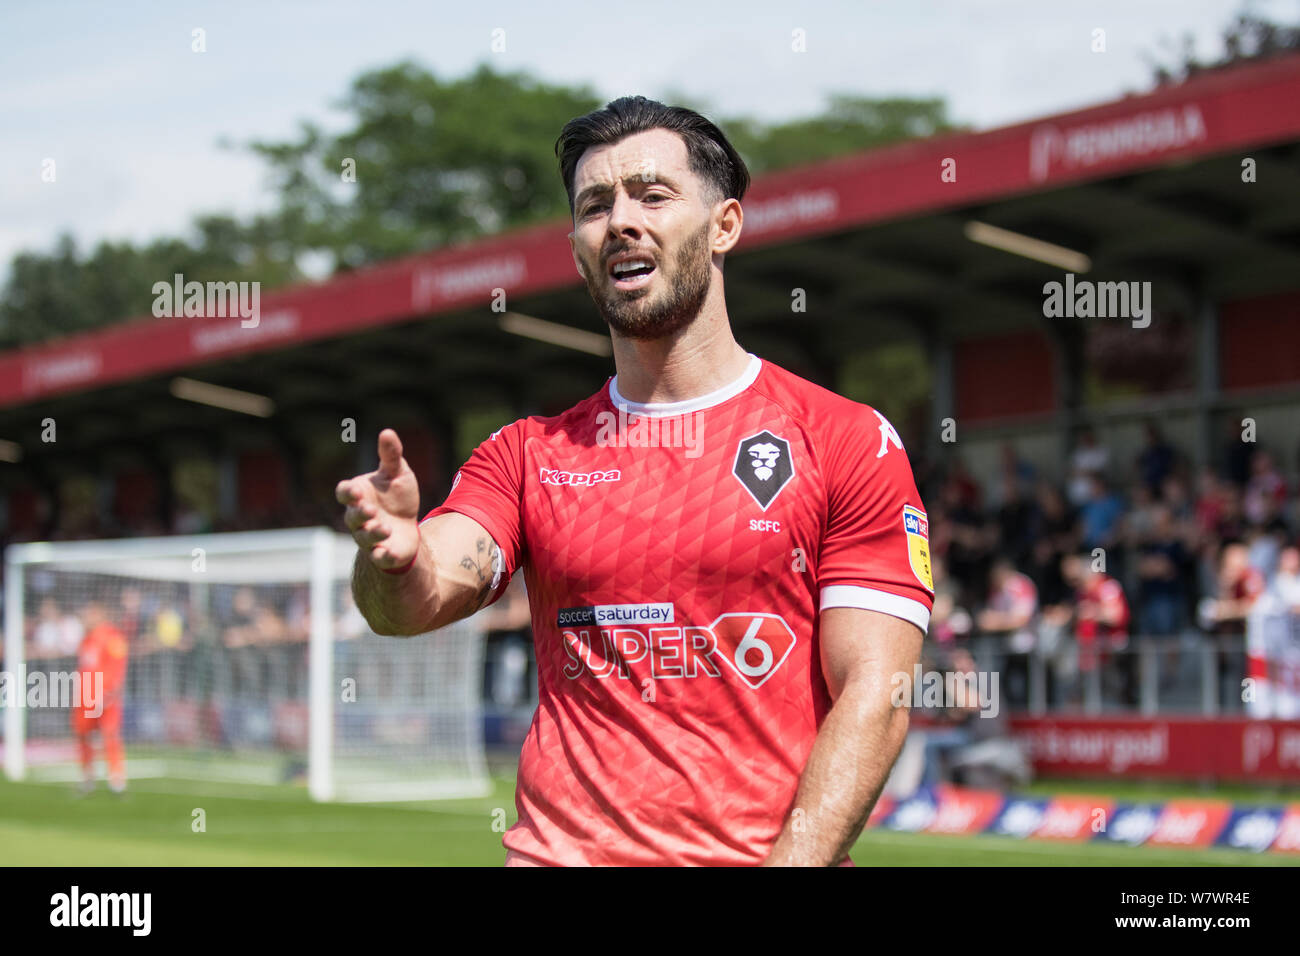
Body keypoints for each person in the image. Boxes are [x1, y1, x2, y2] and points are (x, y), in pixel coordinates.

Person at [336, 96, 932, 867]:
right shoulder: (527, 455)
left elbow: (876, 694)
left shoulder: (847, 441)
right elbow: (412, 602)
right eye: (594, 205)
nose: (619, 219)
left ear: (725, 225)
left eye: (652, 194)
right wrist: (392, 556)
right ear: (579, 247)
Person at [71, 599, 129, 795]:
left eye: (90, 613)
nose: (86, 617)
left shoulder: (112, 637)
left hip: (105, 698)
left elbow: (118, 667)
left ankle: (116, 779)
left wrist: (110, 692)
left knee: (110, 736)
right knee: (83, 736)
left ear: (99, 614)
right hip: (85, 698)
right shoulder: (86, 639)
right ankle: (87, 778)